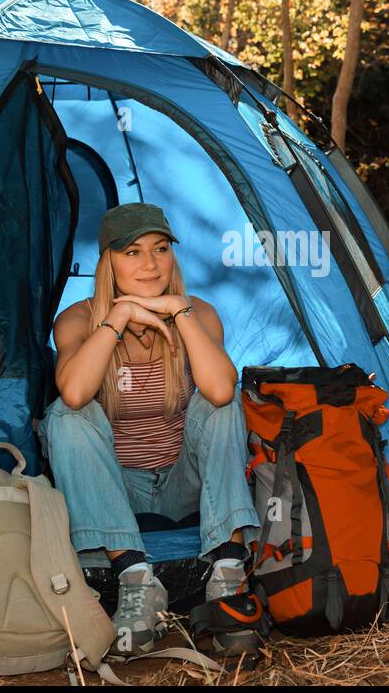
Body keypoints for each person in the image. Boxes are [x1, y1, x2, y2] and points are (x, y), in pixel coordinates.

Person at [39, 202, 262, 655]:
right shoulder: (78, 320)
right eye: (133, 252)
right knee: (65, 415)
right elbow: (76, 393)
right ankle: (137, 579)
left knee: (221, 402)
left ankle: (227, 571)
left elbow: (220, 391)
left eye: (160, 249)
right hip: (118, 487)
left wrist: (179, 310)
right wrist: (117, 318)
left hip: (184, 481)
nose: (150, 264)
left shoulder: (198, 312)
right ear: (108, 263)